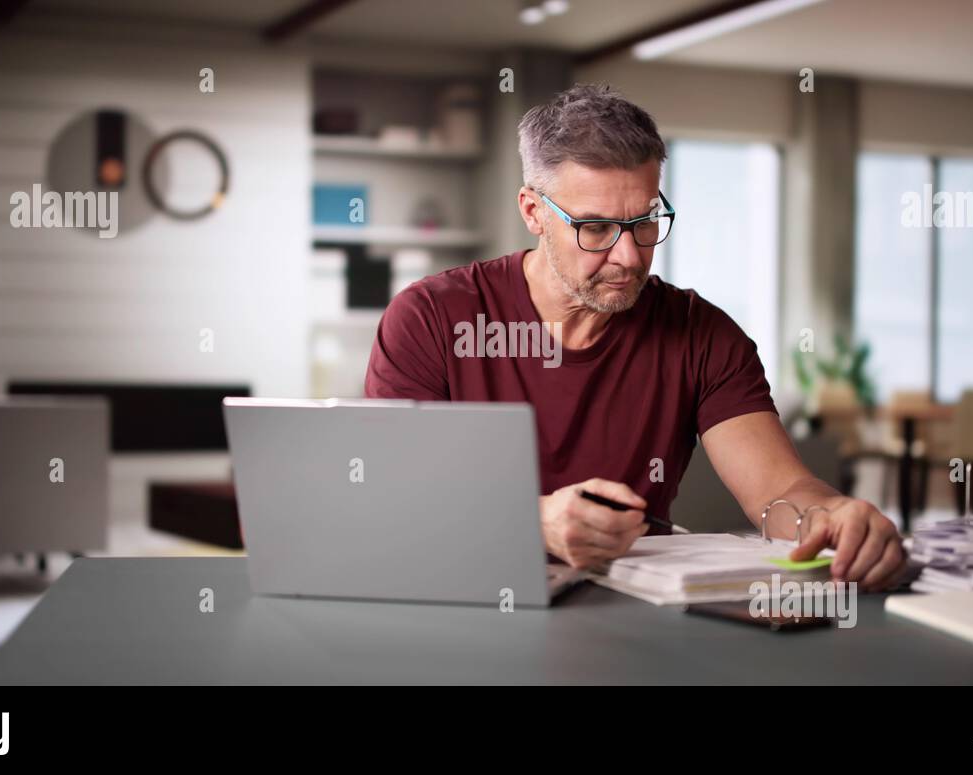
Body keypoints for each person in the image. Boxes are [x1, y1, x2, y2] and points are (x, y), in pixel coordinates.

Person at [366, 83, 906, 591]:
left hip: (637, 610)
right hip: (466, 596)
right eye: (596, 229)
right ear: (533, 212)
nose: (629, 256)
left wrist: (829, 517)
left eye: (645, 222)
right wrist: (531, 521)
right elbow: (396, 498)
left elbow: (778, 493)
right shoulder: (431, 318)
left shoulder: (702, 334)